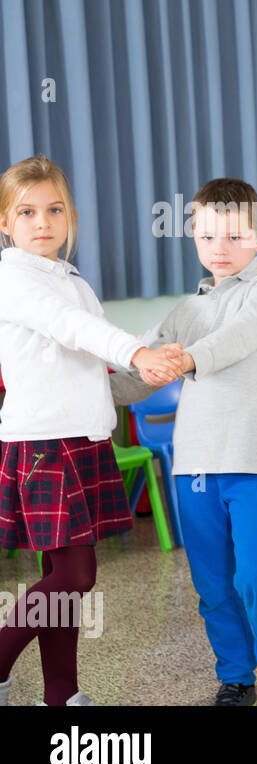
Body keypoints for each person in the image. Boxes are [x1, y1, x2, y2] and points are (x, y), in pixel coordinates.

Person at [109, 178, 257, 706]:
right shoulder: (185, 310)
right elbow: (138, 373)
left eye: (235, 236)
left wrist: (187, 358)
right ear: (193, 237)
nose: (221, 248)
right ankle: (236, 676)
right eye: (208, 236)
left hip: (254, 461)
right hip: (193, 467)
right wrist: (89, 383)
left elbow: (236, 339)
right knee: (214, 586)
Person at [0, 155, 182, 707]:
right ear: (5, 223)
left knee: (62, 578)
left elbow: (92, 362)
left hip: (81, 439)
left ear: (71, 215)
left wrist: (160, 349)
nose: (42, 222)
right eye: (26, 212)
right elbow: (75, 329)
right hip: (43, 445)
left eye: (54, 209)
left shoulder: (67, 277)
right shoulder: (13, 277)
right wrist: (139, 351)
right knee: (76, 575)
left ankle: (61, 694)